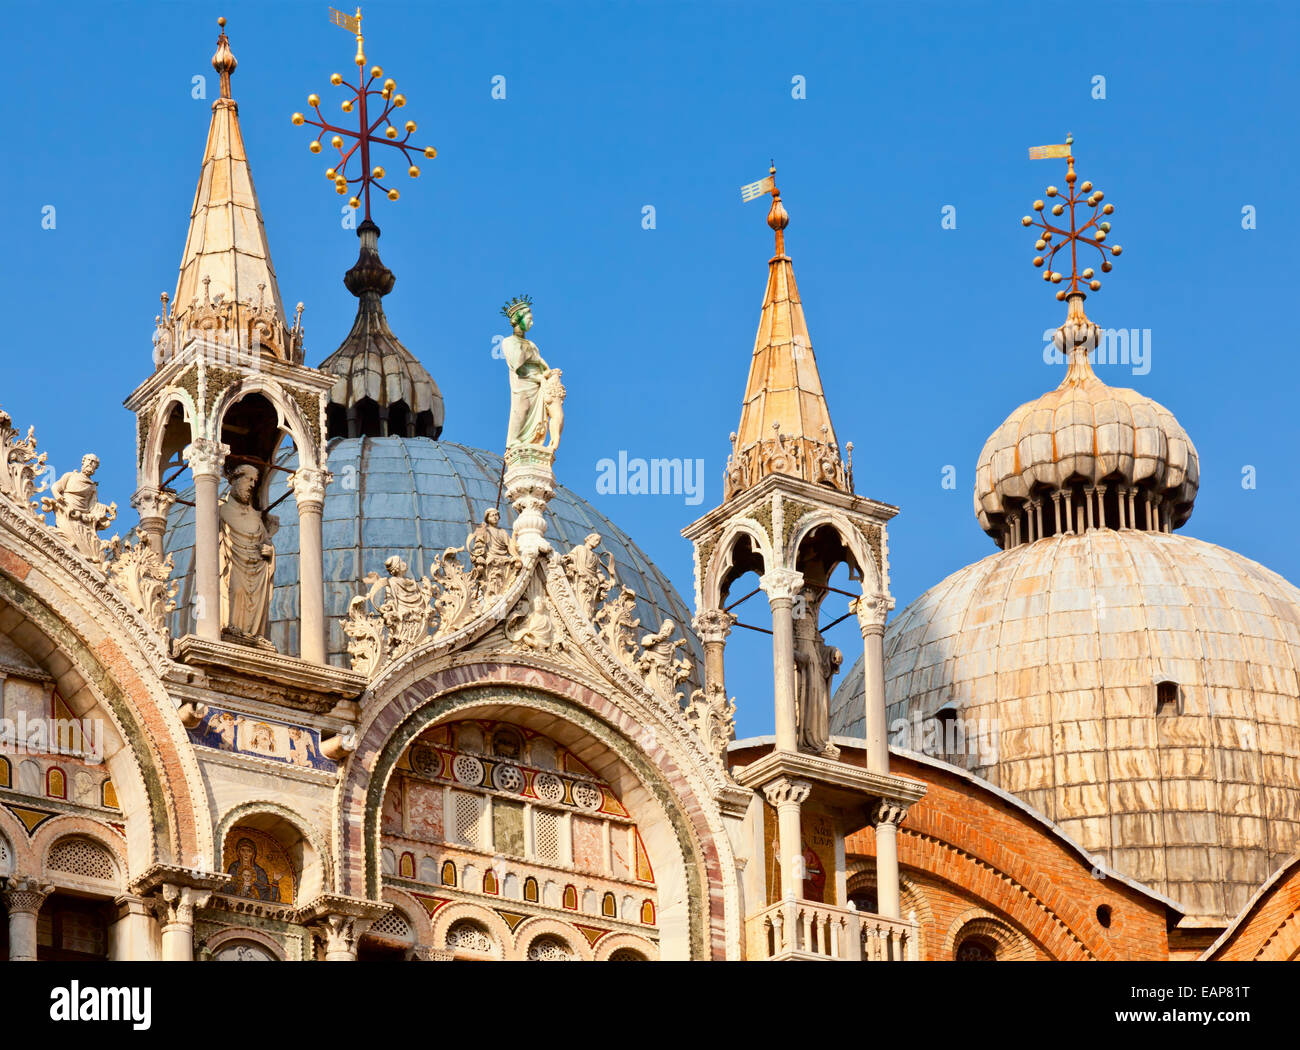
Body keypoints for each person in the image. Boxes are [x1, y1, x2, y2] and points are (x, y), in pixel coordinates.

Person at [219, 464, 277, 646]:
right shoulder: (220, 511)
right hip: (235, 564)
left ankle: (254, 634)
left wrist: (270, 552)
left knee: (256, 600)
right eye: (248, 479)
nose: (252, 485)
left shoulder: (256, 516)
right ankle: (231, 628)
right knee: (236, 591)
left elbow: (266, 541)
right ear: (235, 480)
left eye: (255, 481)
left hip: (257, 570)